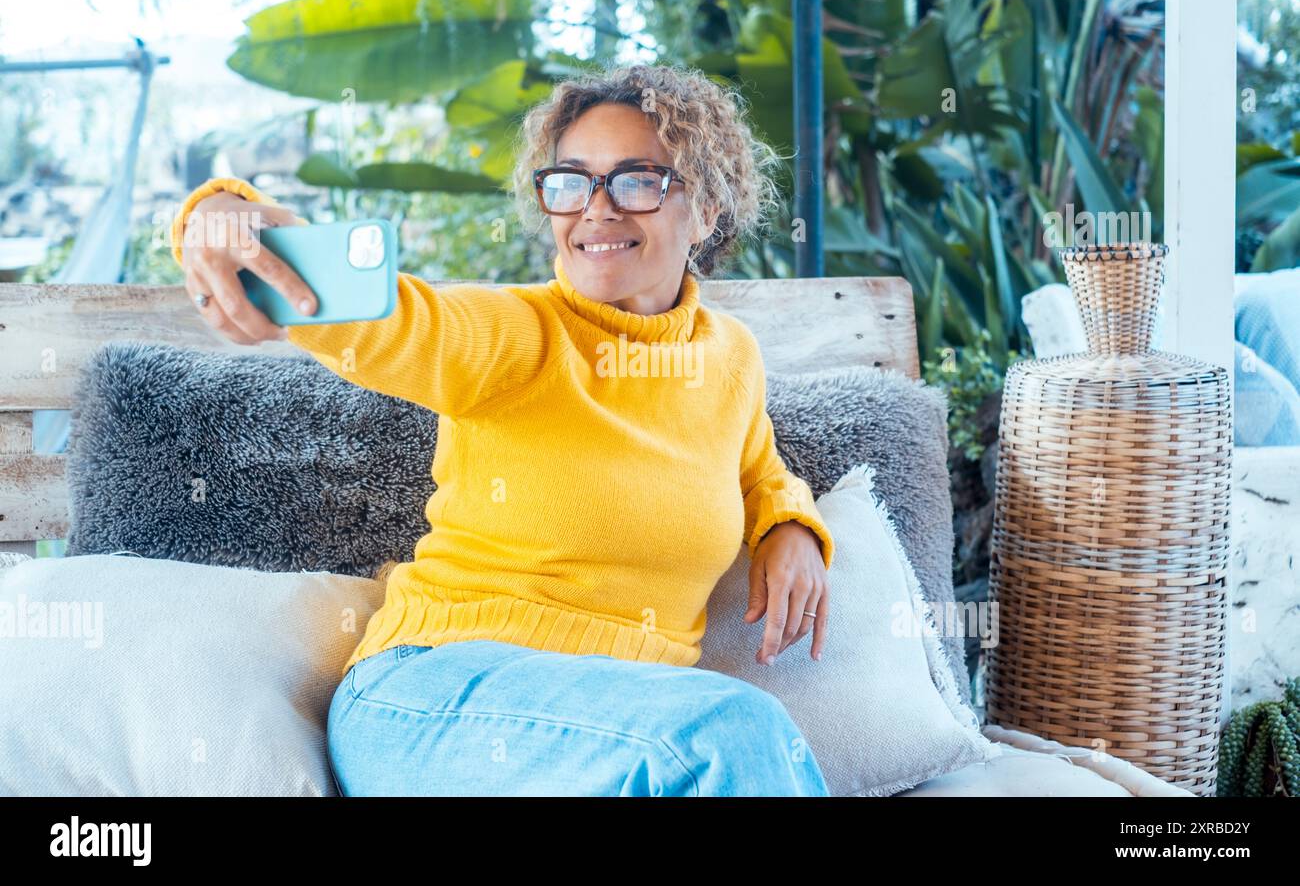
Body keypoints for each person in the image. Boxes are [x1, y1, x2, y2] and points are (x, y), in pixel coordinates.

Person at [170, 63, 833, 796]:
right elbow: (393, 320)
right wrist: (220, 214)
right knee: (733, 731)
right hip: (433, 699)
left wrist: (789, 526)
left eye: (637, 180)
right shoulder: (516, 333)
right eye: (572, 182)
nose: (597, 209)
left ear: (706, 210)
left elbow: (759, 468)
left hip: (616, 733)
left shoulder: (729, 356)